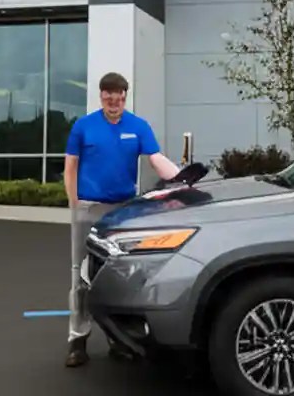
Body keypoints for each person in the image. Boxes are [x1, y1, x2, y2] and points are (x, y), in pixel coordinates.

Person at [62, 71, 181, 367]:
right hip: (89, 209)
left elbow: (156, 159)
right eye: (108, 94)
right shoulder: (84, 126)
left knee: (123, 275)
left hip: (124, 212)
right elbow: (70, 166)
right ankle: (78, 339)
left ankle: (119, 339)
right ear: (101, 95)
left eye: (119, 94)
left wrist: (182, 179)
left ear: (125, 96)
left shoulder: (138, 126)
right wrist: (74, 203)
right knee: (81, 276)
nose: (113, 99)